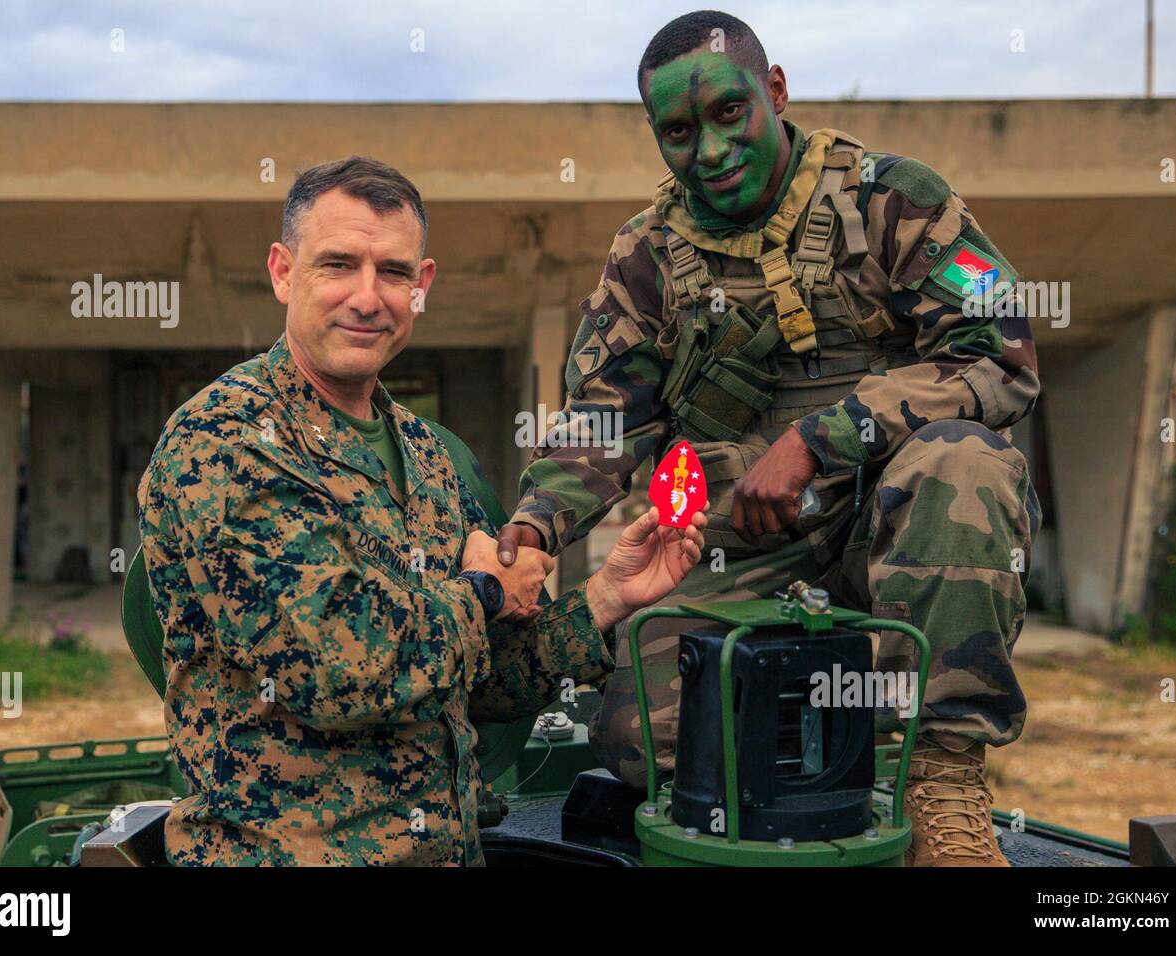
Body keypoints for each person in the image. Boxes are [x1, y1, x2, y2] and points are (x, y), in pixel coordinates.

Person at [495, 10, 1041, 866]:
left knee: (966, 462)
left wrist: (825, 438)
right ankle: (835, 760)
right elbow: (604, 424)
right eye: (678, 131)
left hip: (891, 521)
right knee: (640, 742)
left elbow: (1002, 352)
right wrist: (532, 530)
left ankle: (941, 781)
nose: (709, 151)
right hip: (742, 551)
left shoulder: (894, 200)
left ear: (774, 91)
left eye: (728, 114)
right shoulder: (647, 256)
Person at [138, 156, 707, 866]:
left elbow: (467, 677)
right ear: (284, 272)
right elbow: (337, 669)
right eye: (338, 265)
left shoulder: (424, 452)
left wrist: (601, 599)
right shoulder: (228, 439)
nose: (368, 298)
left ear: (422, 287)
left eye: (395, 273)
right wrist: (486, 591)